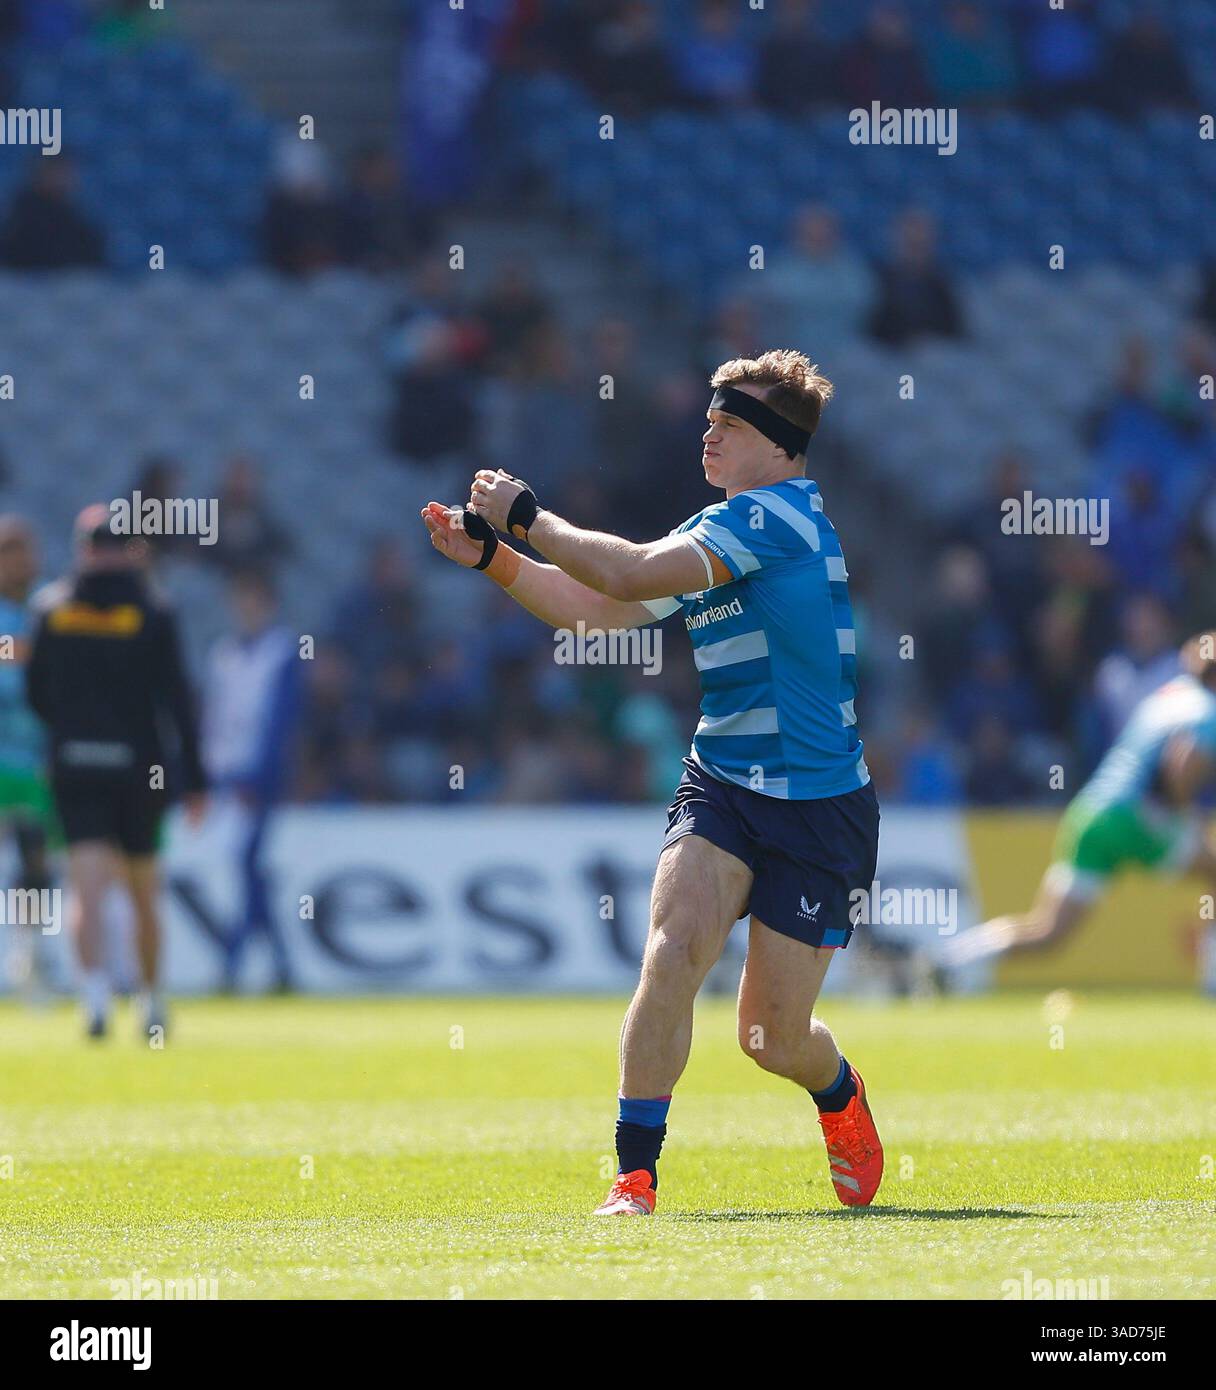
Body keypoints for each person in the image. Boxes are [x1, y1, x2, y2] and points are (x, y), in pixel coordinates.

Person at [421, 348, 883, 1214]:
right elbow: (597, 611)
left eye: (730, 422)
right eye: (708, 416)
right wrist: (494, 562)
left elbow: (624, 573)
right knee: (671, 954)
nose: (707, 431)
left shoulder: (774, 520)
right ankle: (635, 1176)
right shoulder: (718, 532)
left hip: (821, 807)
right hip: (725, 785)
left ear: (781, 448)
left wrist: (526, 516)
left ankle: (838, 1092)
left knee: (769, 1038)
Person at [942, 633, 1216, 992]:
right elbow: (1181, 764)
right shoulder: (1207, 709)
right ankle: (1212, 980)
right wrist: (1185, 816)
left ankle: (948, 961)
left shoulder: (1169, 696)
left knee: (1047, 931)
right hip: (1134, 816)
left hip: (1091, 812)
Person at [25, 506, 206, 1039]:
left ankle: (96, 999)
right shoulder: (154, 609)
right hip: (139, 766)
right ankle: (150, 1002)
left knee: (86, 885)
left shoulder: (51, 609)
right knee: (143, 889)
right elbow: (178, 700)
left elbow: (36, 692)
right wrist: (195, 779)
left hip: (75, 761)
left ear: (82, 548)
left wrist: (68, 731)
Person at [201, 570, 301, 991]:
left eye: (254, 599)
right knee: (249, 871)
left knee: (246, 866)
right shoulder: (223, 654)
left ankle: (233, 962)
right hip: (225, 778)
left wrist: (259, 777)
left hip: (257, 781)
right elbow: (213, 718)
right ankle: (280, 967)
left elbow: (280, 722)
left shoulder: (282, 652)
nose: (246, 608)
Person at [0, 516, 59, 999]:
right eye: (9, 550)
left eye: (24, 549)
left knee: (35, 861)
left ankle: (29, 956)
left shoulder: (47, 608)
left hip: (36, 757)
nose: (20, 560)